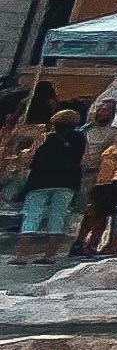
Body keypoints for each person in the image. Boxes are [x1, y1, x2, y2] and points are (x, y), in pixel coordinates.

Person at [16, 104, 88, 262]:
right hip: (67, 182)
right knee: (58, 217)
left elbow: (29, 158)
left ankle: (22, 255)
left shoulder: (44, 137)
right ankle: (50, 255)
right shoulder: (81, 139)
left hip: (40, 181)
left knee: (32, 215)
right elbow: (83, 160)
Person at [69, 142, 117, 261]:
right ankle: (83, 244)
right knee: (95, 218)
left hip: (104, 188)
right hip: (105, 188)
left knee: (99, 219)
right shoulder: (112, 156)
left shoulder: (111, 155)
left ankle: (89, 244)